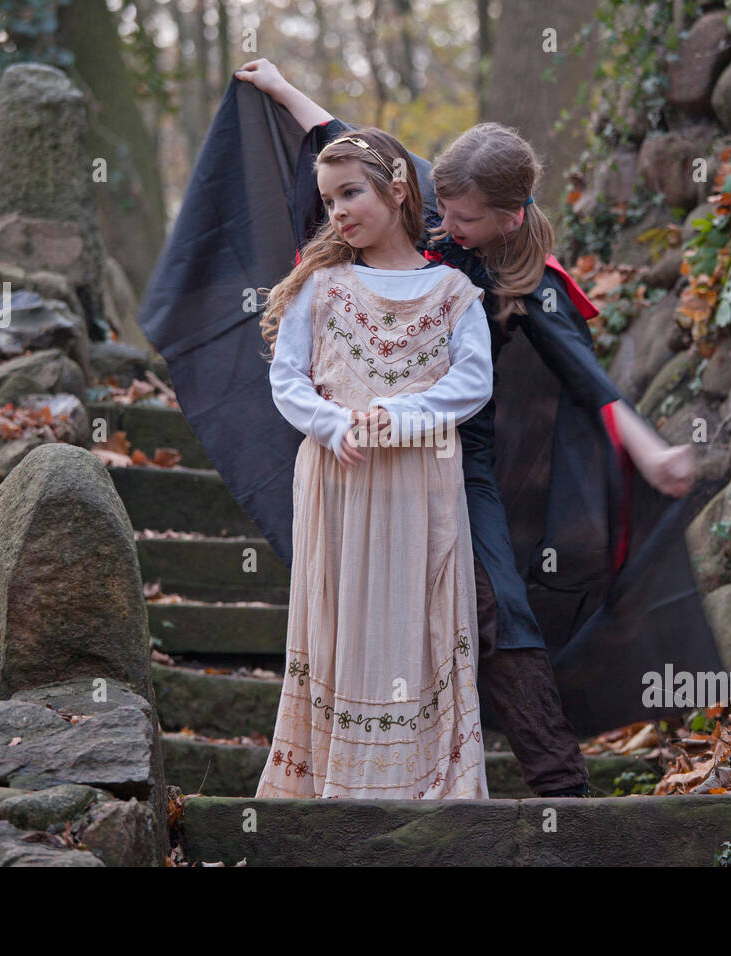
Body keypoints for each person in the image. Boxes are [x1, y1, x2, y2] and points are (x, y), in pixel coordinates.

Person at [234, 60, 725, 798]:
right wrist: (279, 88)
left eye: (463, 221)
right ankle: (356, 767)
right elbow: (351, 148)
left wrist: (651, 452)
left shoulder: (526, 284)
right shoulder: (430, 214)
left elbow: (586, 379)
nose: (445, 227)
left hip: (461, 459)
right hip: (364, 454)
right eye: (441, 209)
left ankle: (560, 789)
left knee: (498, 603)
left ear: (510, 218)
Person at [253, 126, 493, 799]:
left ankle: (424, 777)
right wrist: (332, 425)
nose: (338, 212)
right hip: (340, 476)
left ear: (397, 189)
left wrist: (405, 415)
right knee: (343, 620)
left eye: (349, 193)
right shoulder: (320, 286)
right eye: (328, 201)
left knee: (421, 615)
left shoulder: (451, 292)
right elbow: (288, 378)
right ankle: (339, 779)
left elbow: (473, 383)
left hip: (421, 477)